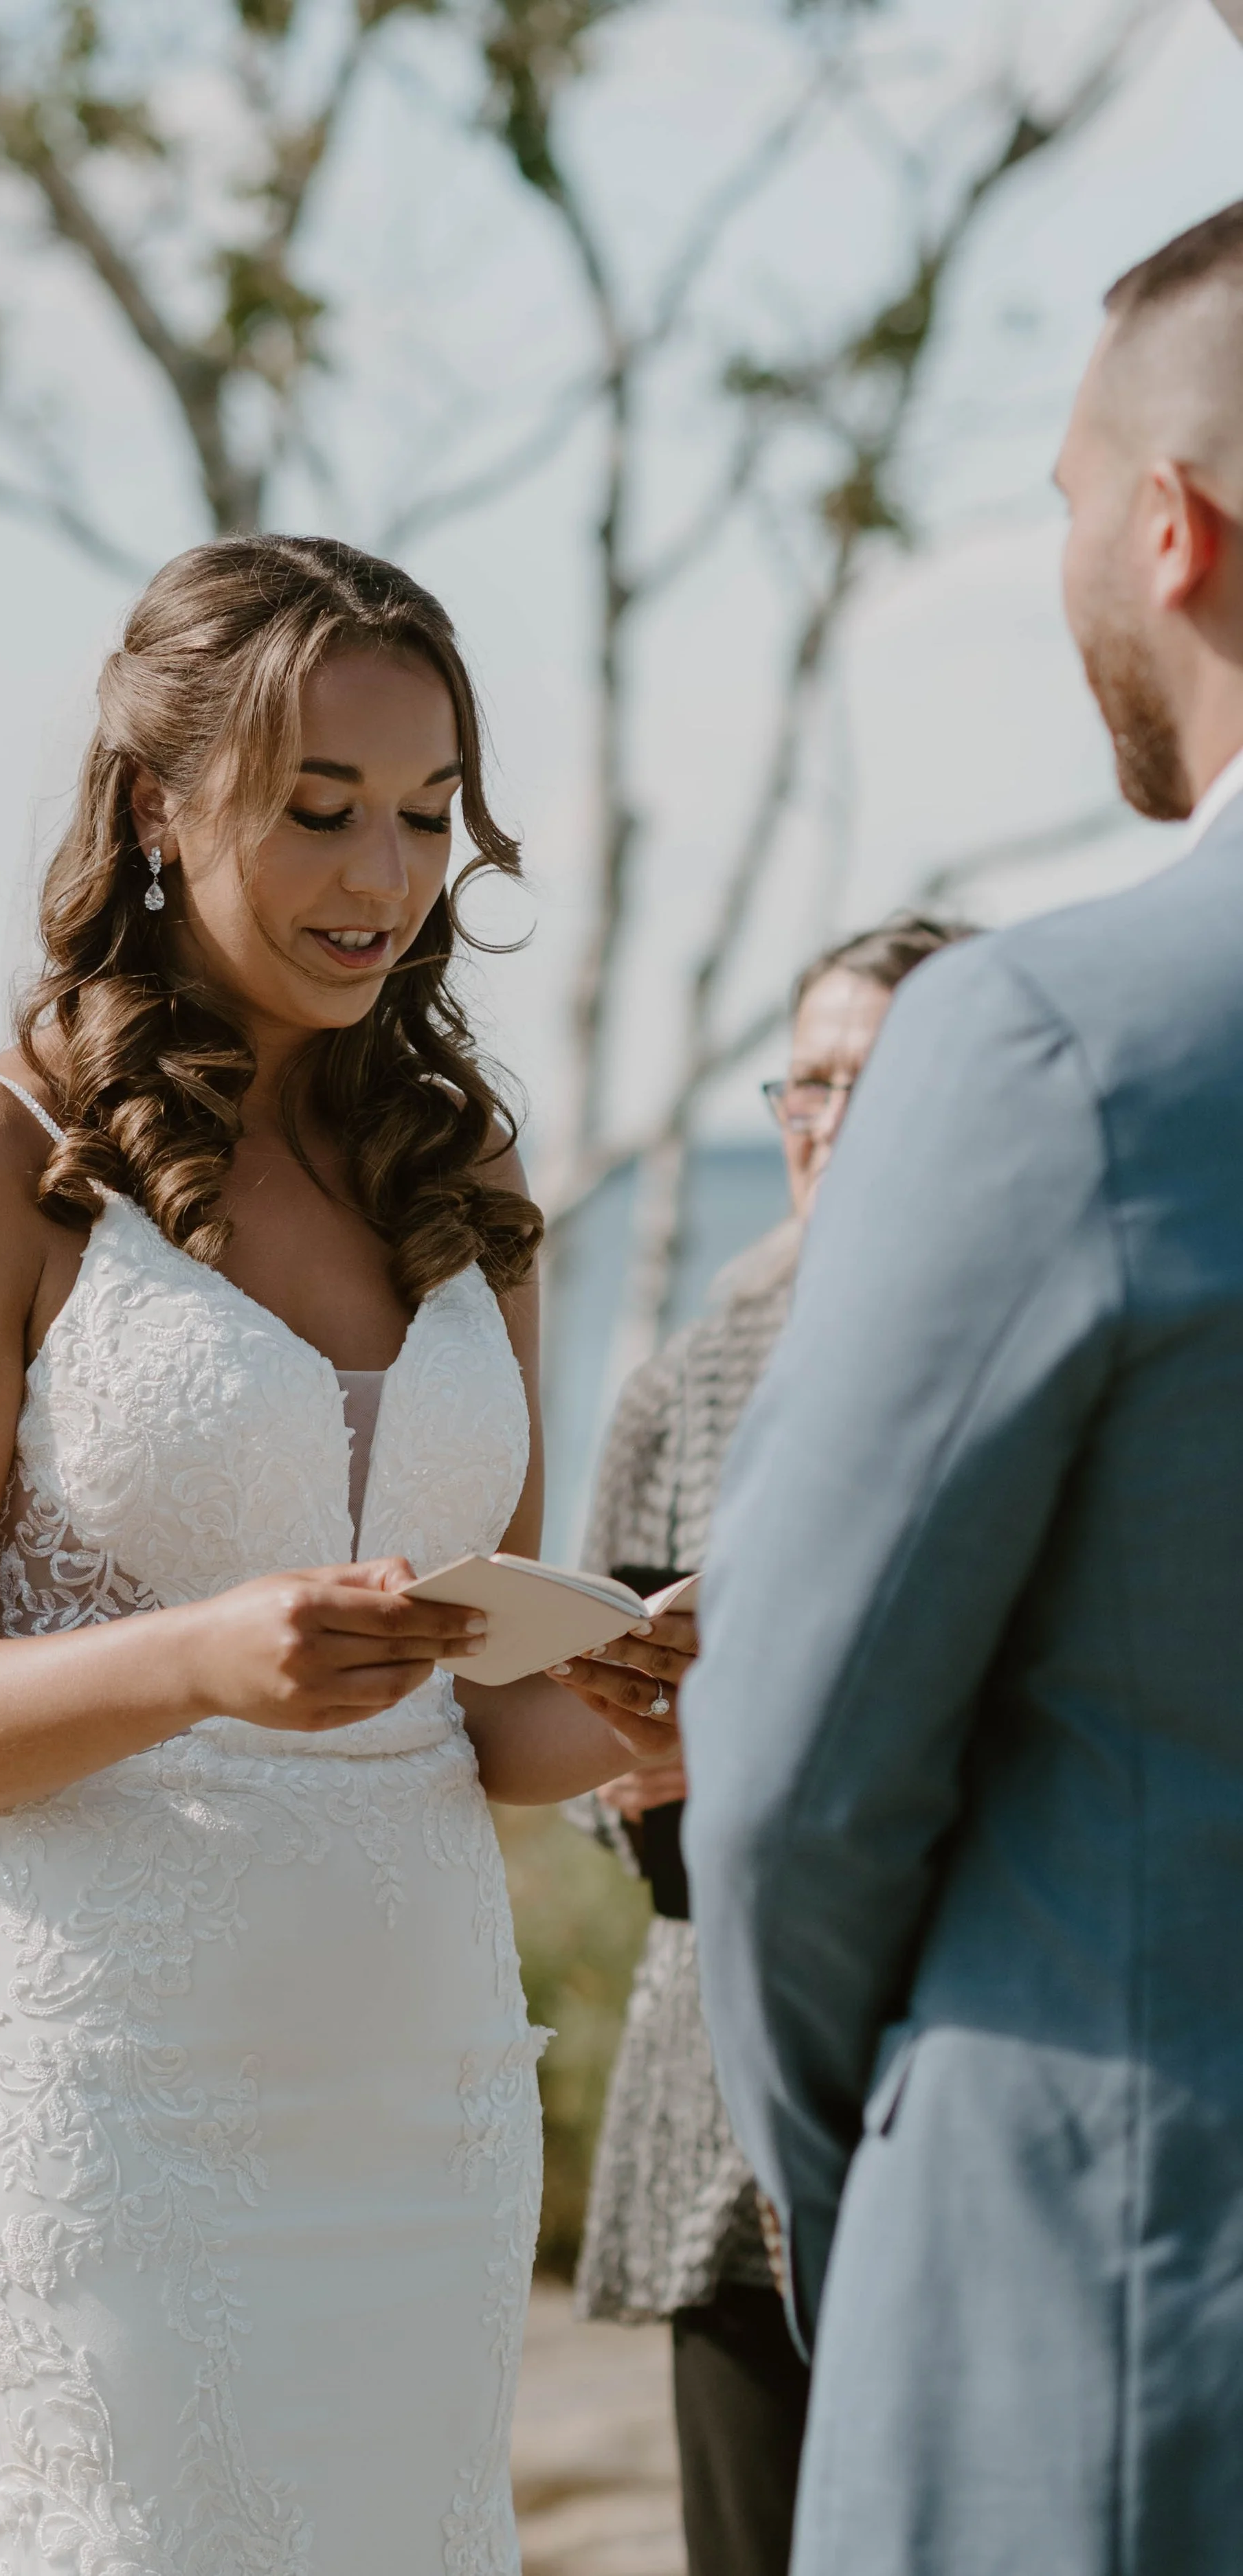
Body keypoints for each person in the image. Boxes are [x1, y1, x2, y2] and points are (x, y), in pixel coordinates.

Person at [0, 534, 689, 2576]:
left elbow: (492, 1711)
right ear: (152, 805)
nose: (381, 875)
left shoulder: (462, 1172)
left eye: (423, 814)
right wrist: (193, 1661)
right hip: (115, 2096)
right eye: (317, 812)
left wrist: (647, 1692)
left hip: (424, 2088)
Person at [683, 199, 1243, 2575]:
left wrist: (890, 2193)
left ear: (1170, 527)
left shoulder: (1059, 1047)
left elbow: (792, 1790)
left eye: (1051, 514)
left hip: (1110, 2323)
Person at [568, 912, 973, 2576]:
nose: (822, 1124)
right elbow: (588, 1748)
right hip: (713, 2068)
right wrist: (632, 1761)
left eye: (867, 1085)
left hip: (952, 2071)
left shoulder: (1032, 1359)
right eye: (799, 1085)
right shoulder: (686, 1379)